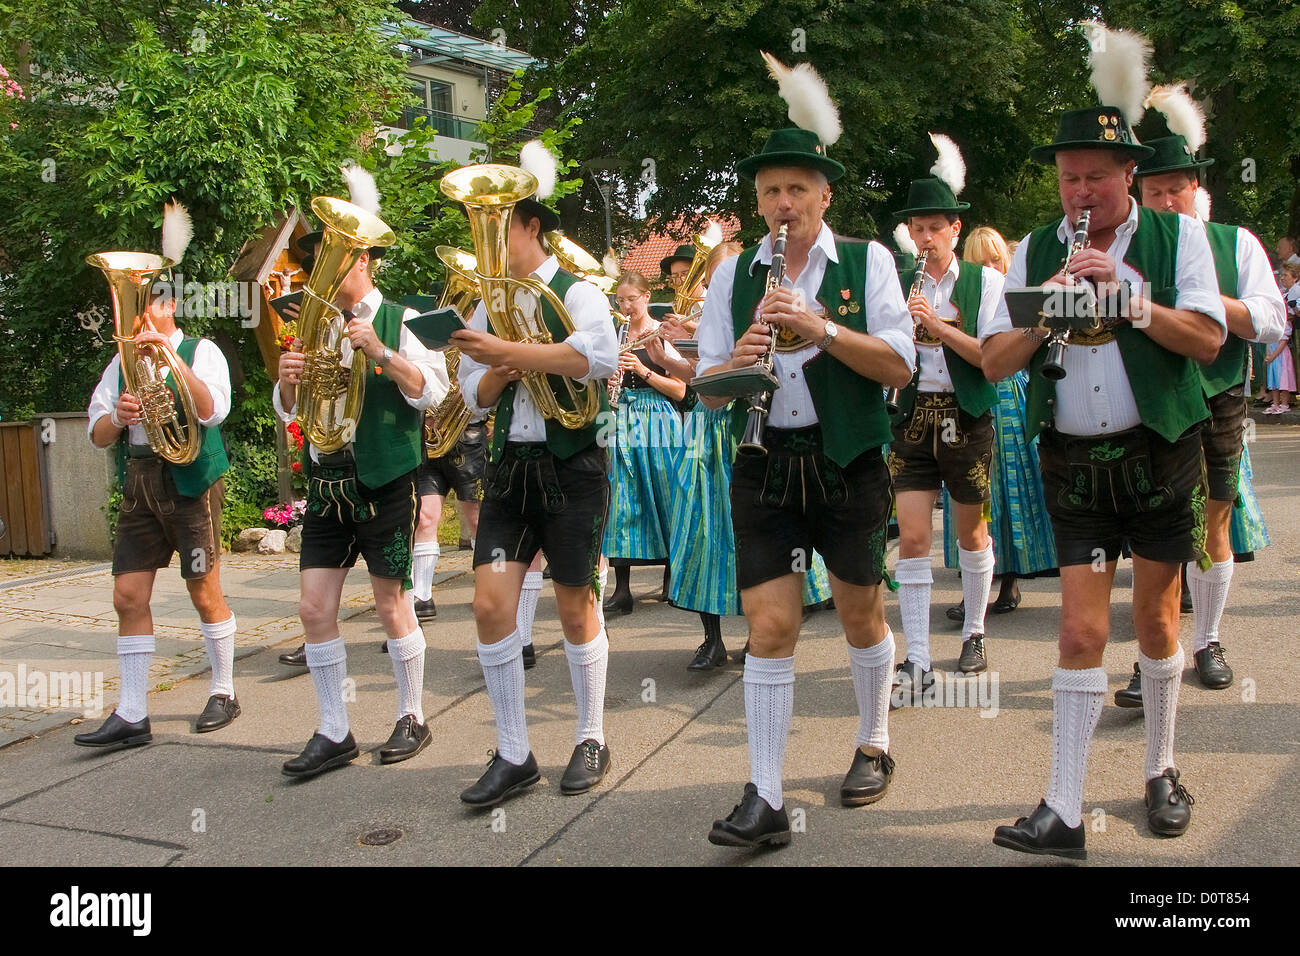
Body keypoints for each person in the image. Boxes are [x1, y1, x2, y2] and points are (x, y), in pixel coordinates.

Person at [982, 39, 1226, 858]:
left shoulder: (1176, 238)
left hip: (1162, 452)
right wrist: (1041, 313)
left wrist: (1133, 304)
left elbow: (1204, 341)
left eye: (1095, 176)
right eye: (1068, 177)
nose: (1080, 191)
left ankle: (1160, 766)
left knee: (1156, 621)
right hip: (1075, 462)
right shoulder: (1035, 249)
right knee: (1080, 636)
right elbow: (993, 361)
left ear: (1128, 174)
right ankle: (1064, 806)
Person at [696, 123, 915, 848]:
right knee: (769, 627)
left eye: (796, 189)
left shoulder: (867, 261)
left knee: (860, 616)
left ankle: (875, 740)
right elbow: (708, 395)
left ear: (824, 196)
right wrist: (736, 355)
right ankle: (764, 795)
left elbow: (898, 366)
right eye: (770, 191)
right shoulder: (733, 274)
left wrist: (820, 328)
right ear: (757, 203)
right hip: (763, 464)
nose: (783, 202)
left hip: (847, 461)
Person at [449, 159, 620, 807]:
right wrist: (498, 366)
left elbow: (597, 357)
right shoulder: (489, 304)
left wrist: (513, 353)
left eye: (497, 230)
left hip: (573, 467)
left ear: (529, 227)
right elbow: (473, 396)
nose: (486, 245)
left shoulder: (575, 292)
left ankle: (591, 735)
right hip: (513, 470)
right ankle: (515, 752)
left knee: (575, 606)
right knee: (491, 607)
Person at [1115, 104, 1286, 704]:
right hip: (1150, 399)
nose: (1164, 201)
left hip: (1215, 400)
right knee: (1154, 531)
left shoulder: (1234, 242)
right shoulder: (1126, 245)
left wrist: (1207, 300)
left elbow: (1270, 320)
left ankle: (1208, 639)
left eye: (1175, 190)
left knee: (1211, 522)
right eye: (1154, 190)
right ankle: (1151, 652)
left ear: (1196, 189)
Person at [274, 207, 451, 777]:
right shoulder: (313, 323)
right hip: (327, 481)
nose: (321, 273)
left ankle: (412, 715)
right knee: (313, 608)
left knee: (391, 604)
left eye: (336, 258)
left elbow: (434, 392)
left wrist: (382, 354)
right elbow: (286, 410)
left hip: (384, 480)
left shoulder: (405, 318)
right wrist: (287, 379)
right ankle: (333, 729)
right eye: (317, 262)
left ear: (366, 259)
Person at [79, 213, 240, 749]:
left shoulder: (202, 351)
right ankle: (131, 712)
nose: (134, 314)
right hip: (142, 483)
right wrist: (121, 416)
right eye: (130, 303)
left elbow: (213, 410)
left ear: (169, 307)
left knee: (203, 590)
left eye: (145, 302)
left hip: (191, 483)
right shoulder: (118, 364)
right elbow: (98, 434)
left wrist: (169, 358)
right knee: (128, 594)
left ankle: (223, 688)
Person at [665, 241, 836, 670]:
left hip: (754, 427)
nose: (714, 285)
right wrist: (665, 357)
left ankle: (761, 634)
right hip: (710, 432)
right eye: (709, 278)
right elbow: (701, 379)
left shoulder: (763, 300)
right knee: (704, 532)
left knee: (755, 536)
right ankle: (711, 637)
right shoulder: (710, 313)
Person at [887, 137, 1002, 696]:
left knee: (969, 531)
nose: (926, 238)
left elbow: (993, 360)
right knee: (911, 536)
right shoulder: (897, 281)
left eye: (936, 227)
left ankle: (975, 630)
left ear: (956, 230)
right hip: (911, 415)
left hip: (965, 413)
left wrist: (937, 327)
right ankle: (917, 656)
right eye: (918, 228)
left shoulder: (987, 284)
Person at [943, 227, 1058, 622]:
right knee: (973, 495)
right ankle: (975, 584)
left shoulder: (1014, 297)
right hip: (969, 399)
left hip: (1011, 396)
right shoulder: (964, 297)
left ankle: (1010, 577)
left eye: (996, 259)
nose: (990, 266)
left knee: (1010, 489)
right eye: (980, 260)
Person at [601, 270, 689, 615]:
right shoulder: (616, 335)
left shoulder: (661, 336)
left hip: (659, 420)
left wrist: (642, 370)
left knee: (663, 493)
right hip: (621, 419)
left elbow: (681, 390)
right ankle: (622, 589)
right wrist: (610, 382)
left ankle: (671, 577)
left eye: (631, 300)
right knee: (622, 498)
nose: (626, 306)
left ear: (647, 297)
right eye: (620, 300)